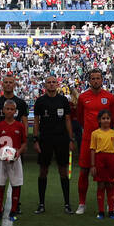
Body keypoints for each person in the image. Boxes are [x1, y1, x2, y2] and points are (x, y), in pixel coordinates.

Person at [74, 68, 114, 215]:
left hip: (106, 140)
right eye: (93, 78)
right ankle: (82, 203)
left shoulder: (110, 97)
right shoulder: (83, 97)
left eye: (98, 78)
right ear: (89, 80)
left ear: (102, 79)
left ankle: (109, 205)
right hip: (88, 139)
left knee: (108, 174)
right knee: (84, 171)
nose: (96, 81)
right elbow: (80, 117)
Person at [32, 74, 74, 214]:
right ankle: (42, 204)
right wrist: (35, 139)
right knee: (43, 170)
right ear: (45, 85)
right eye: (48, 82)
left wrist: (71, 139)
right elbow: (36, 121)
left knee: (63, 171)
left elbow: (68, 120)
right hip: (45, 139)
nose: (51, 84)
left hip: (61, 139)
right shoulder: (40, 101)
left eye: (53, 82)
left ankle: (67, 203)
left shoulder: (63, 100)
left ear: (57, 84)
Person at [0, 98, 26, 222]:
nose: (10, 111)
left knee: (16, 184)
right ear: (3, 110)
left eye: (12, 109)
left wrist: (18, 153)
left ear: (15, 111)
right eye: (7, 109)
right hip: (1, 160)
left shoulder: (20, 126)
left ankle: (13, 212)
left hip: (15, 160)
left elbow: (24, 144)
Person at [89, 110, 114, 219]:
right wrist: (92, 165)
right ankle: (101, 211)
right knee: (101, 184)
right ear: (99, 120)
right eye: (103, 118)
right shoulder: (95, 133)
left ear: (111, 120)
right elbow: (92, 149)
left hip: (111, 160)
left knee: (111, 185)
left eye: (108, 118)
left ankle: (111, 210)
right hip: (99, 160)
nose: (106, 120)